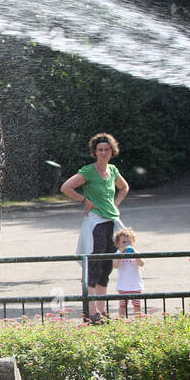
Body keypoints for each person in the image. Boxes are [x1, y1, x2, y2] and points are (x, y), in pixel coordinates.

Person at [61, 133, 129, 324]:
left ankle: (102, 309)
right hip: (95, 222)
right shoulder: (89, 171)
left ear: (112, 151)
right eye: (100, 150)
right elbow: (66, 187)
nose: (104, 152)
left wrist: (116, 204)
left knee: (106, 265)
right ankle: (92, 312)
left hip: (111, 221)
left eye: (107, 149)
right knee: (94, 263)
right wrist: (85, 200)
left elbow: (124, 187)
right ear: (95, 152)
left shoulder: (113, 170)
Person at [112, 227, 145, 319]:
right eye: (124, 242)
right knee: (122, 304)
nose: (127, 244)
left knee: (137, 304)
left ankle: (139, 321)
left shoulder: (136, 252)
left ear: (133, 243)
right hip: (123, 284)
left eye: (129, 242)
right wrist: (121, 255)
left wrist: (136, 255)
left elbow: (142, 264)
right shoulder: (117, 253)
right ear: (118, 244)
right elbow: (115, 266)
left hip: (135, 284)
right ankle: (121, 321)